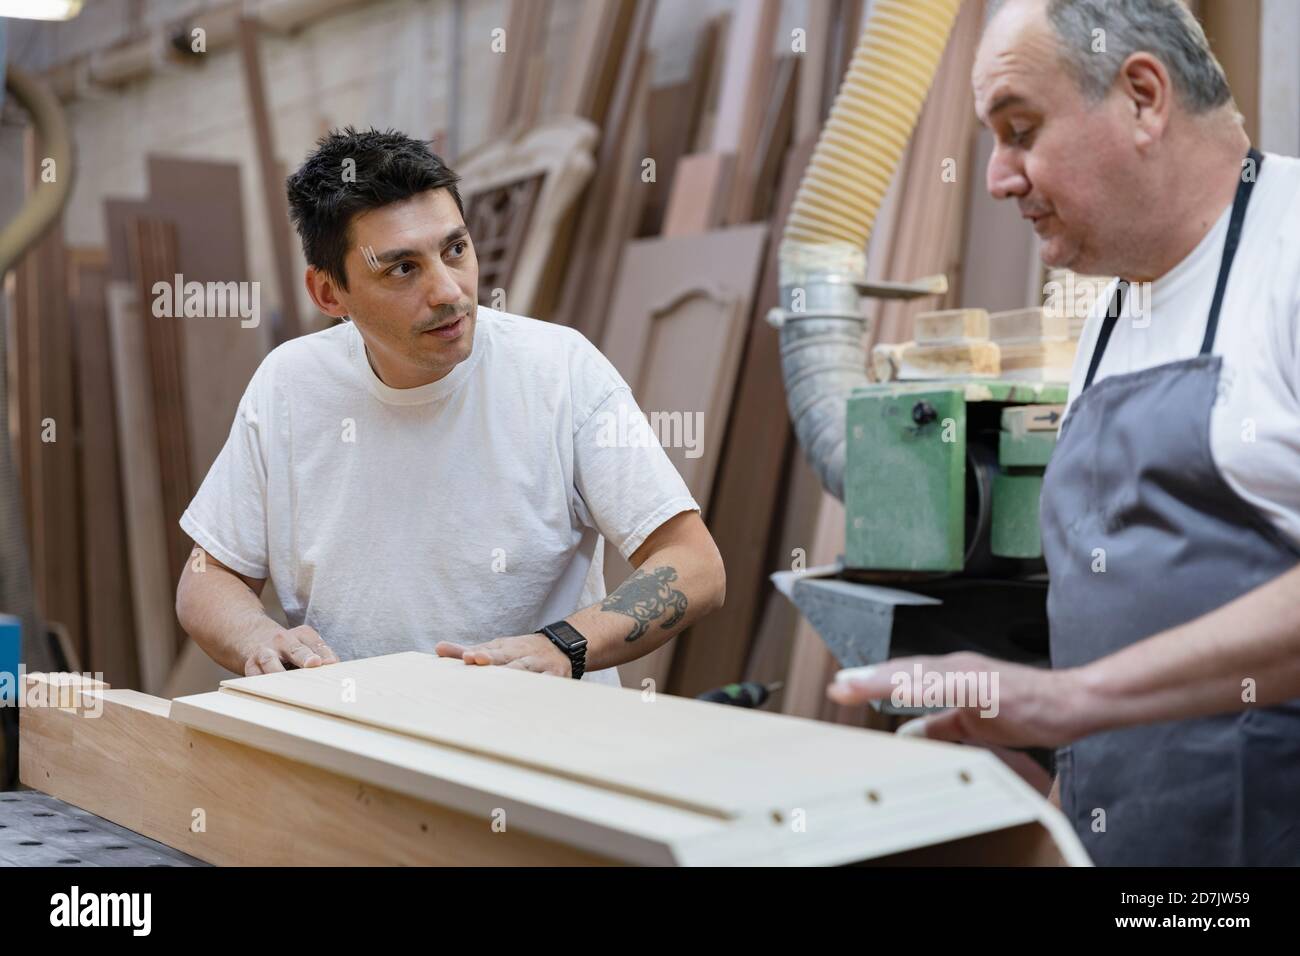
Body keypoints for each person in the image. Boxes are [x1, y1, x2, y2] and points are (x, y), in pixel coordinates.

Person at [832, 0, 1300, 866]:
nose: (997, 179)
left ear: (1143, 98)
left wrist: (1068, 699)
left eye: (1020, 131)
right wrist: (1049, 806)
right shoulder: (1114, 316)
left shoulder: (1290, 254)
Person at [176, 127, 725, 688]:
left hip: (536, 728)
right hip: (352, 725)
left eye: (455, 250)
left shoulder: (560, 371)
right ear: (328, 293)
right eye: (402, 269)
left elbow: (693, 563)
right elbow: (207, 574)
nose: (448, 292)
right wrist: (258, 638)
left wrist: (563, 645)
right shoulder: (289, 385)